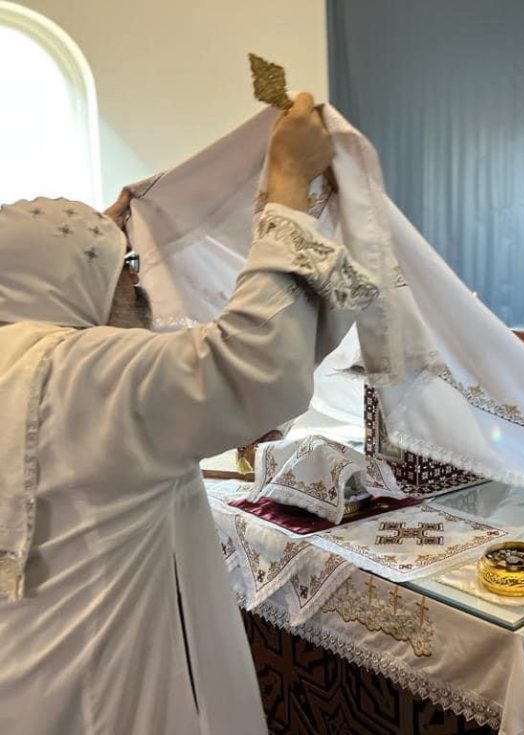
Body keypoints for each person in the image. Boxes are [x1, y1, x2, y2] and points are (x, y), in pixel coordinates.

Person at [0, 93, 377, 734]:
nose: (136, 281)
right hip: (109, 691)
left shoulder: (27, 361)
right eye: (122, 267)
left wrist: (96, 234)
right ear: (67, 280)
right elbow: (255, 364)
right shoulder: (82, 370)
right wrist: (287, 185)